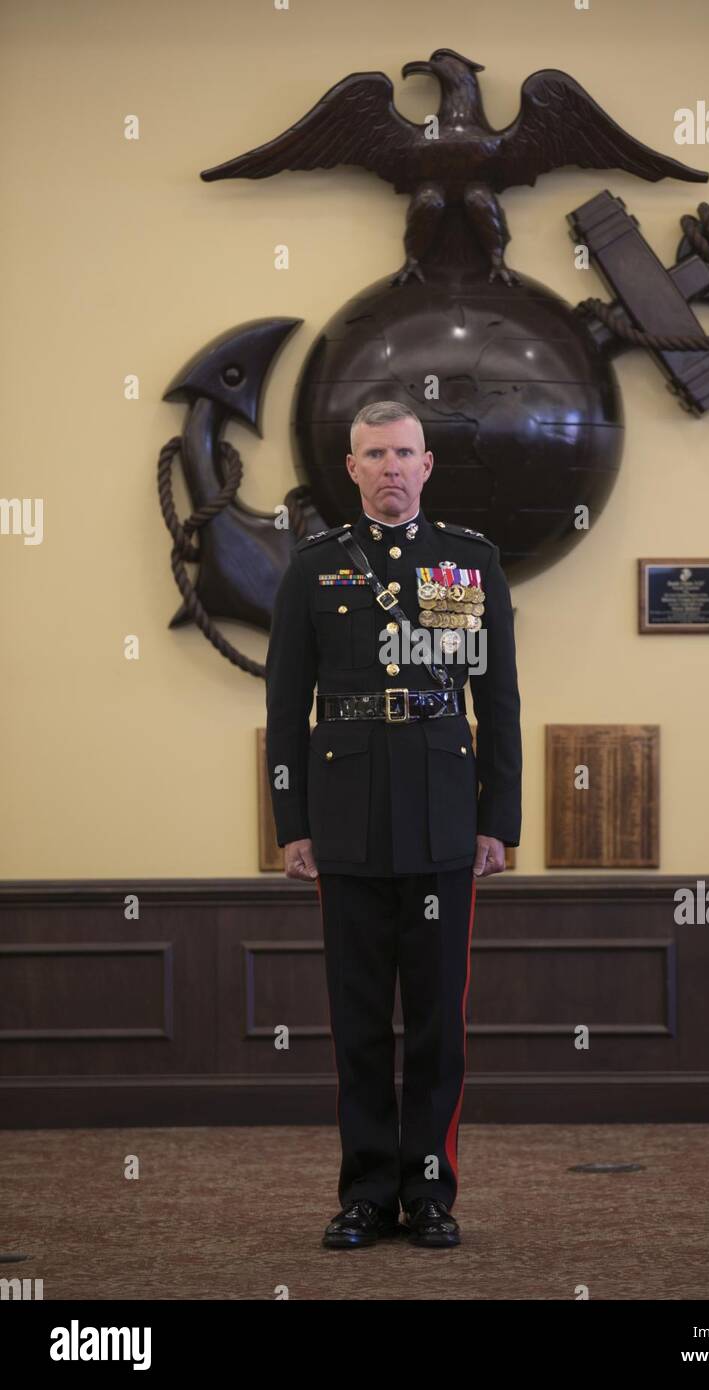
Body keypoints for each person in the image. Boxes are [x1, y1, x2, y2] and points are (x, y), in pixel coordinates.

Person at [265, 400, 522, 1249]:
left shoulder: (465, 564)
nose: (390, 468)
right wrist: (291, 822)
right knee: (360, 1017)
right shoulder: (314, 568)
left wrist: (500, 818)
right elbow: (285, 703)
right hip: (346, 823)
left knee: (440, 1022)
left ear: (427, 464)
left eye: (404, 452)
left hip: (445, 819)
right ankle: (367, 1192)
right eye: (373, 454)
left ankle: (430, 1193)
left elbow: (499, 703)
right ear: (351, 469)